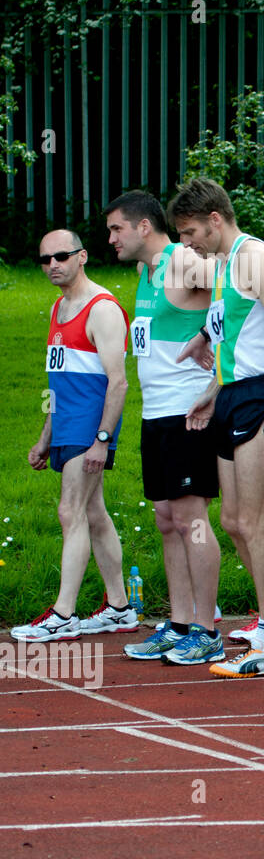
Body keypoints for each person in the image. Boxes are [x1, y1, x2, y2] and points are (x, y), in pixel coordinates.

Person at [167, 177, 264, 677]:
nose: (186, 244)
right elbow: (236, 327)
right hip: (232, 394)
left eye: (189, 233)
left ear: (215, 219)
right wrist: (207, 354)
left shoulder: (255, 257)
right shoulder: (227, 266)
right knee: (234, 521)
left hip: (262, 394)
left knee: (256, 520)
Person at [104, 191, 225, 664]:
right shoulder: (146, 271)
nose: (111, 238)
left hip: (187, 411)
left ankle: (207, 628)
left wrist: (207, 342)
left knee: (192, 519)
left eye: (117, 229)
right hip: (154, 412)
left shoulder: (183, 262)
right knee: (166, 519)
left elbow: (241, 292)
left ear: (143, 228)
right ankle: (178, 624)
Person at [15, 231, 136, 642]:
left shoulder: (102, 309)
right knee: (94, 514)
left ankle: (64, 614)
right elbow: (59, 382)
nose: (53, 264)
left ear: (82, 256)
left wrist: (102, 439)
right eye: (45, 259)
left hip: (90, 426)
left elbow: (118, 383)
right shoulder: (59, 307)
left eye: (61, 256)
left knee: (71, 510)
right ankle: (120, 607)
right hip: (66, 425)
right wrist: (45, 436)